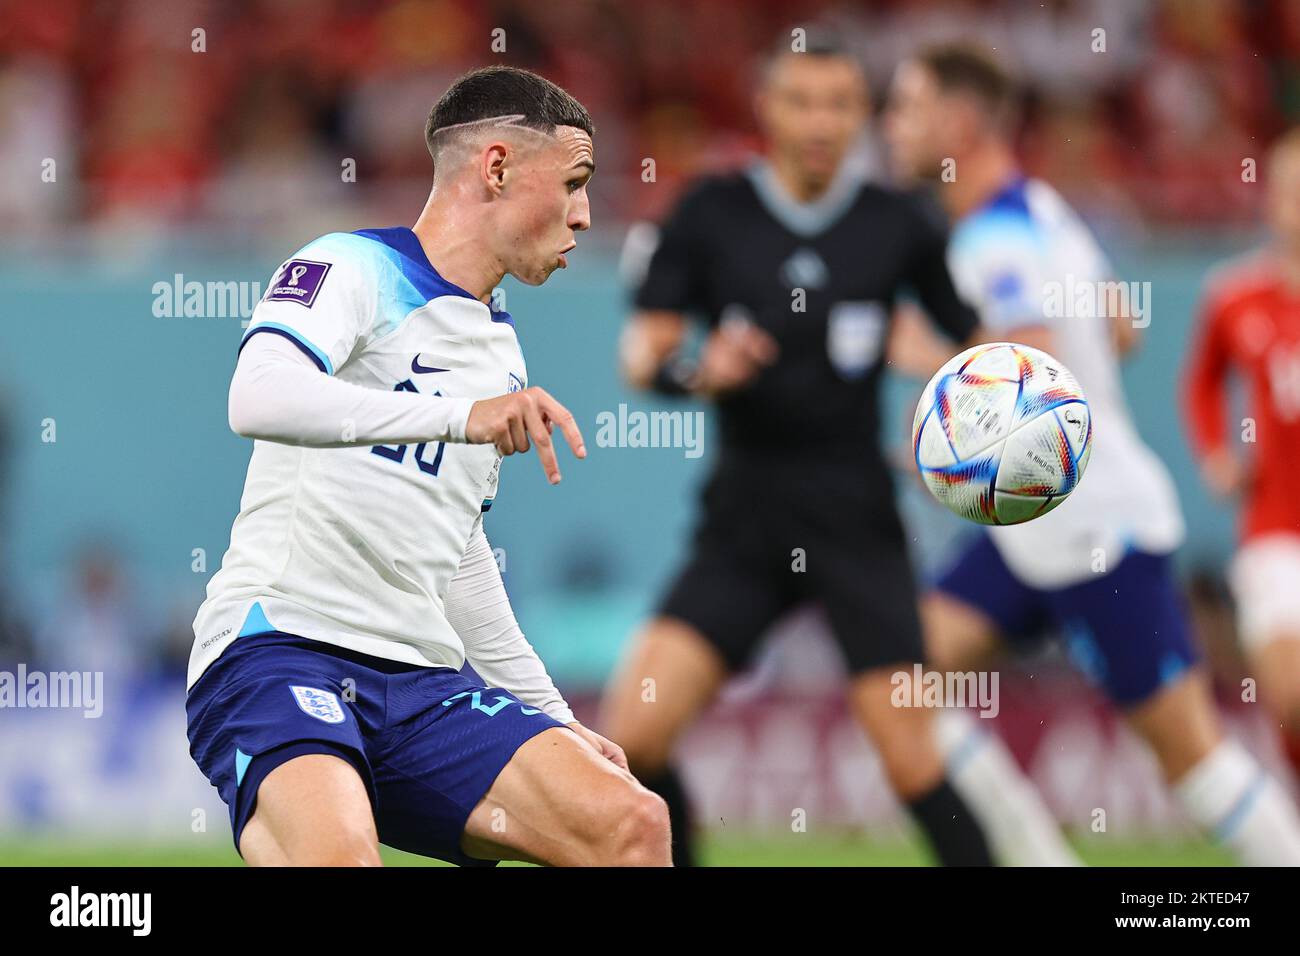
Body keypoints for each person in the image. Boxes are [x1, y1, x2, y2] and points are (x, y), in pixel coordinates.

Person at [186, 66, 671, 867]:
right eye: (576, 182)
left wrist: (551, 715)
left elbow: (459, 558)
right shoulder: (350, 265)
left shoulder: (498, 348)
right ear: (497, 166)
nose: (586, 215)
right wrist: (460, 417)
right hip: (279, 649)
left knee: (631, 823)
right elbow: (257, 396)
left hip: (419, 681)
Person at [602, 35, 1016, 867]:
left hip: (856, 517)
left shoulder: (898, 223)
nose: (820, 121)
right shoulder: (712, 212)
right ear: (768, 109)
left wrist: (952, 412)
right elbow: (643, 350)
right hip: (745, 517)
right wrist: (696, 369)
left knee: (911, 758)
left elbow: (987, 358)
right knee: (629, 741)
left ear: (862, 115)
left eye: (839, 103)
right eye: (801, 101)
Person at [885, 42, 1300, 864]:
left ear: (959, 122)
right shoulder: (1042, 212)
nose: (889, 127)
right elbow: (1122, 328)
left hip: (1093, 531)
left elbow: (1032, 371)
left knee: (1194, 760)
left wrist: (925, 379)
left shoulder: (996, 244)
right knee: (904, 679)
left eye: (905, 106)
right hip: (1036, 527)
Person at [1184, 127, 1300, 784]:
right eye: (1291, 191)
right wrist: (1216, 454)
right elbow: (1201, 382)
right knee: (1289, 694)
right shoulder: (1236, 295)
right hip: (1275, 522)